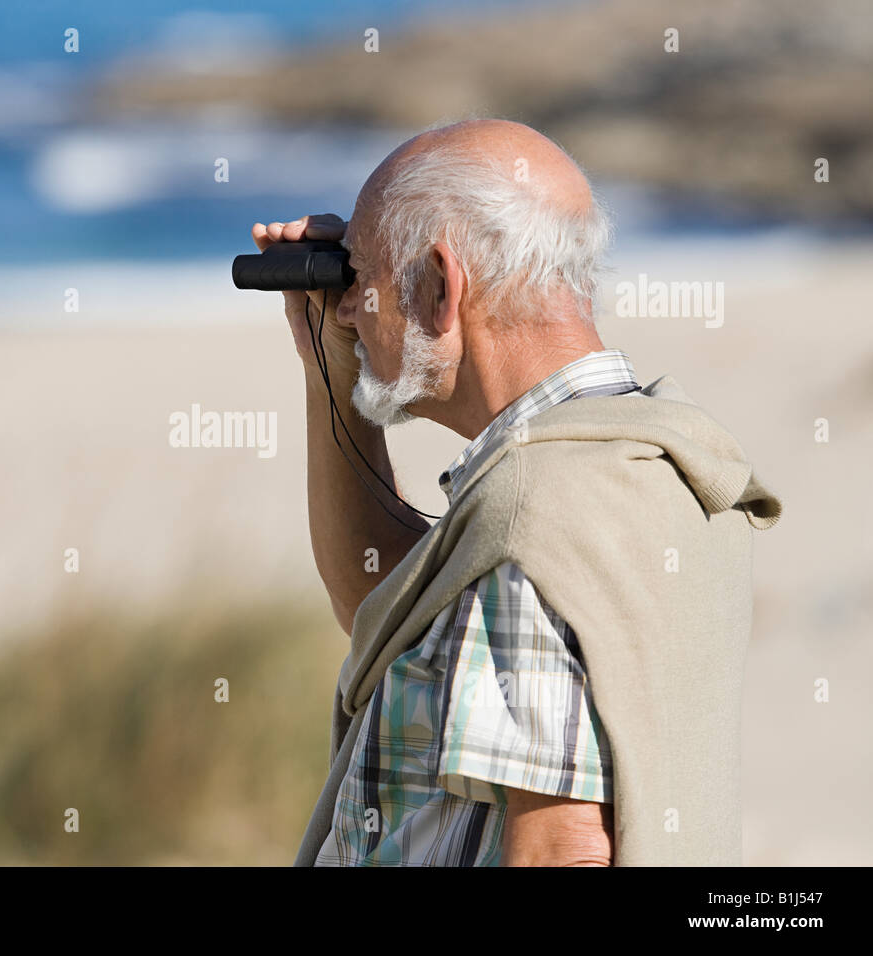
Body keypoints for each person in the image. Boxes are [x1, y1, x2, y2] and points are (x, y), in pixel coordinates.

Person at [252, 119, 782, 866]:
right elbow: (384, 604)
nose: (344, 308)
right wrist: (329, 370)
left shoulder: (542, 510)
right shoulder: (648, 461)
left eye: (360, 280)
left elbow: (563, 849)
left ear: (439, 284)